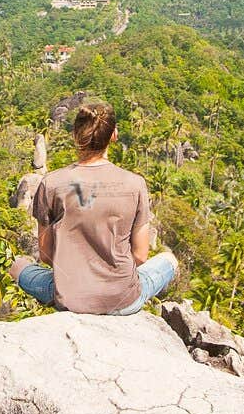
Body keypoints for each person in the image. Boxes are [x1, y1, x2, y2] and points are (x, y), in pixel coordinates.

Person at [9, 100, 178, 316]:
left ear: (75, 135)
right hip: (124, 299)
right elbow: (140, 255)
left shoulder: (51, 183)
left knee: (16, 266)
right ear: (114, 135)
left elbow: (46, 255)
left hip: (68, 296)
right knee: (169, 260)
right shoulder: (135, 184)